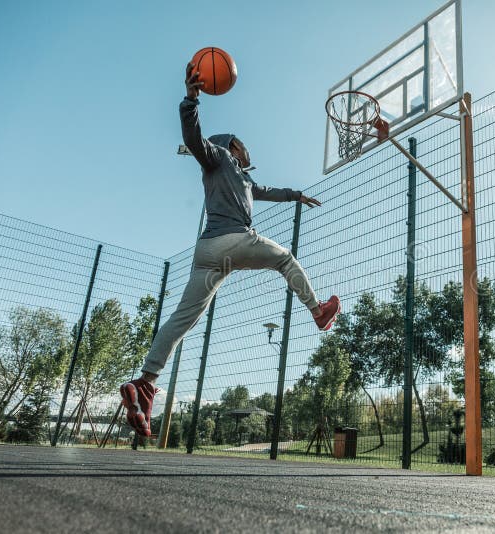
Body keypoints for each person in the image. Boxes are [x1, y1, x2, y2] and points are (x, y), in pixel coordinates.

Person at [119, 62, 341, 438]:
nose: (246, 146)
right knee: (285, 259)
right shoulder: (218, 159)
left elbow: (266, 190)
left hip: (208, 253)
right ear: (230, 145)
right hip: (232, 240)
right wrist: (191, 101)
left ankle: (144, 383)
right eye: (241, 141)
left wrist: (296, 195)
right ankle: (318, 311)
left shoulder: (243, 177)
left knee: (182, 320)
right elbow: (194, 139)